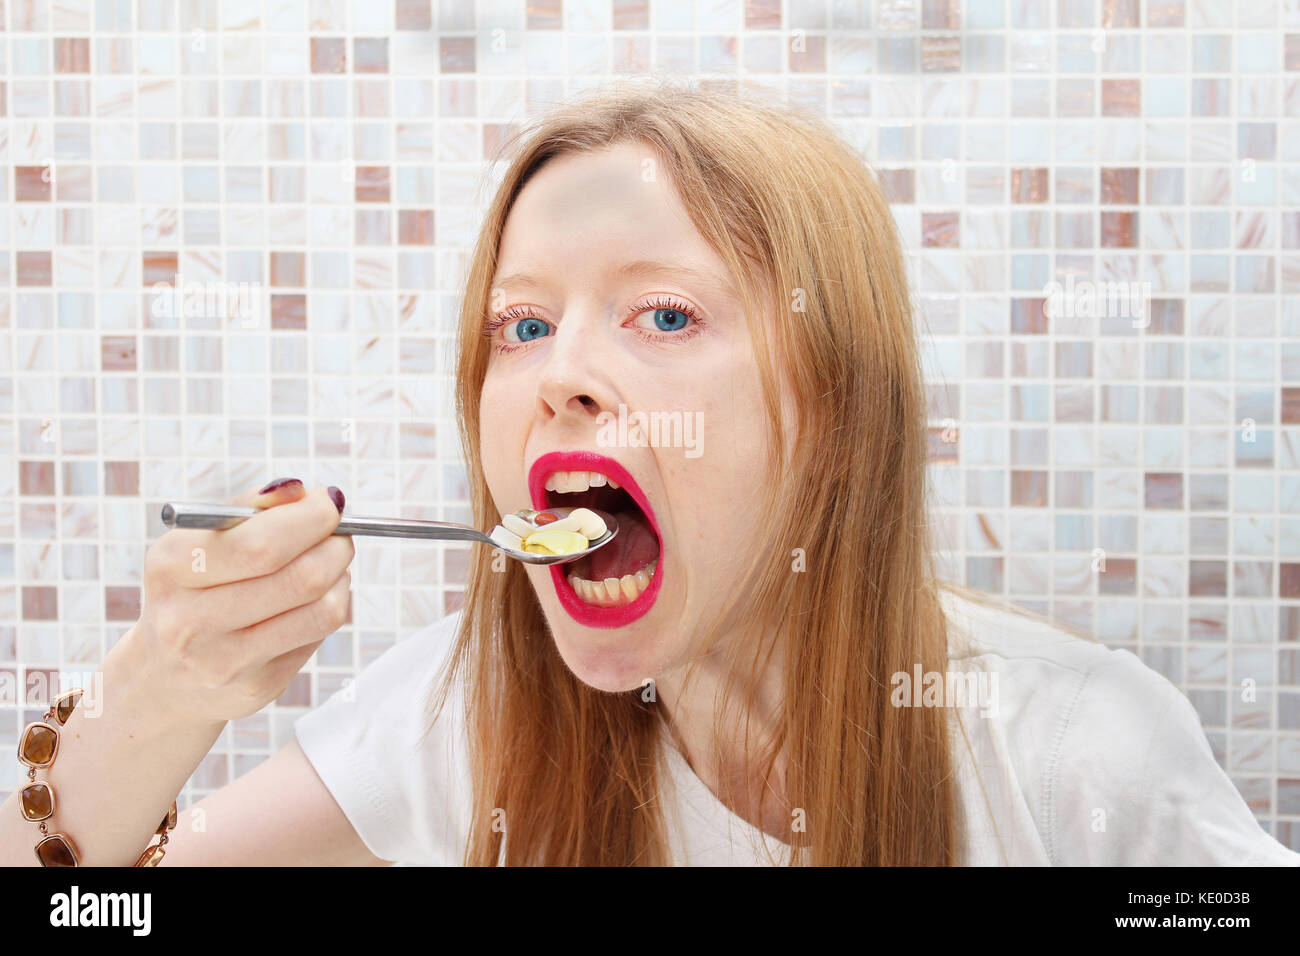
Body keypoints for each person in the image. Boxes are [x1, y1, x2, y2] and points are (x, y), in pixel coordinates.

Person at [5, 82, 1296, 866]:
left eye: (664, 317)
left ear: (837, 412)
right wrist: (160, 697)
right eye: (520, 326)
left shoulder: (1071, 750)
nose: (560, 374)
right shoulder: (469, 726)